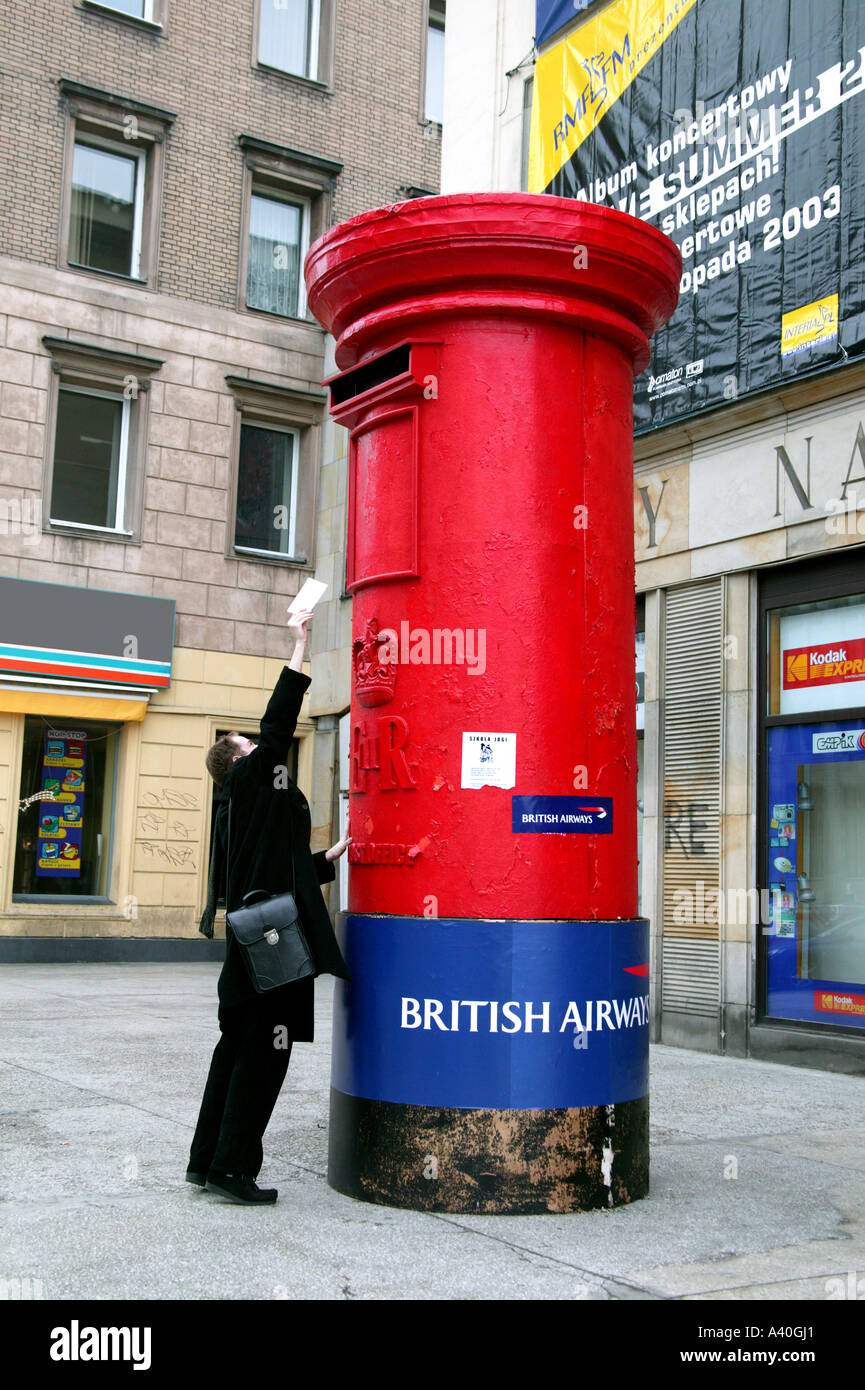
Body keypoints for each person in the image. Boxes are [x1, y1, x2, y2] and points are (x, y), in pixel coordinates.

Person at [187, 607, 351, 1205]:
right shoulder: (254, 784)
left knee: (233, 1052)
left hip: (245, 953)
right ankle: (234, 1170)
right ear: (239, 764)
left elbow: (269, 873)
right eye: (248, 746)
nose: (259, 746)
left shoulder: (236, 809)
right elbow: (278, 722)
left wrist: (326, 861)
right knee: (263, 1060)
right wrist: (299, 645)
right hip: (272, 958)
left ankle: (206, 1163)